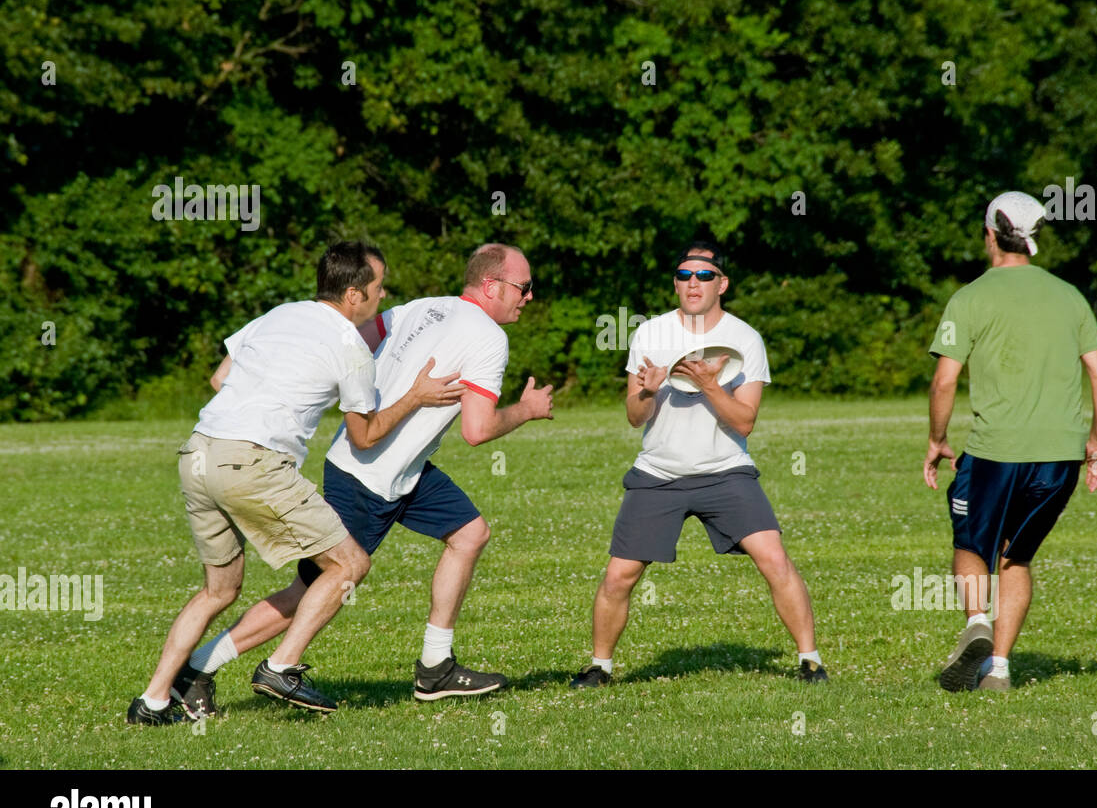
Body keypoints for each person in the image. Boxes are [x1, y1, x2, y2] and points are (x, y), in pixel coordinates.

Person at [175, 244, 553, 716]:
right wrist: (528, 410)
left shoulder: (422, 308)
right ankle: (208, 667)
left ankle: (436, 667)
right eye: (524, 287)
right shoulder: (489, 338)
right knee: (309, 590)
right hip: (369, 474)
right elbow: (478, 431)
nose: (530, 296)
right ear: (492, 285)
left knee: (470, 533)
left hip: (401, 470)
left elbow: (353, 334)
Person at [127, 242, 459, 725]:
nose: (384, 295)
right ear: (352, 294)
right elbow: (364, 437)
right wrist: (416, 397)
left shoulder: (279, 314)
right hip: (253, 462)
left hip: (198, 453)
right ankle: (282, 668)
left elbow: (222, 380)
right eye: (378, 287)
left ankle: (153, 702)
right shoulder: (350, 347)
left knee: (218, 591)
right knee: (348, 564)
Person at [570, 240, 827, 688]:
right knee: (619, 576)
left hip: (725, 471)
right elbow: (634, 418)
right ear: (675, 283)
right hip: (658, 473)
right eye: (685, 274)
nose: (693, 282)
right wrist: (647, 392)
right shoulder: (649, 334)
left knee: (775, 560)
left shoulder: (745, 339)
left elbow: (744, 422)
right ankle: (599, 668)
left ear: (721, 284)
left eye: (704, 275)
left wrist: (709, 384)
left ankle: (810, 662)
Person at [924, 192, 1097, 692]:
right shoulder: (1069, 295)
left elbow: (944, 381)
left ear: (989, 233)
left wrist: (937, 440)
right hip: (1059, 456)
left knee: (970, 543)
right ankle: (1000, 670)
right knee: (1017, 556)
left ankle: (976, 623)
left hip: (993, 451)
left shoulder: (970, 297)